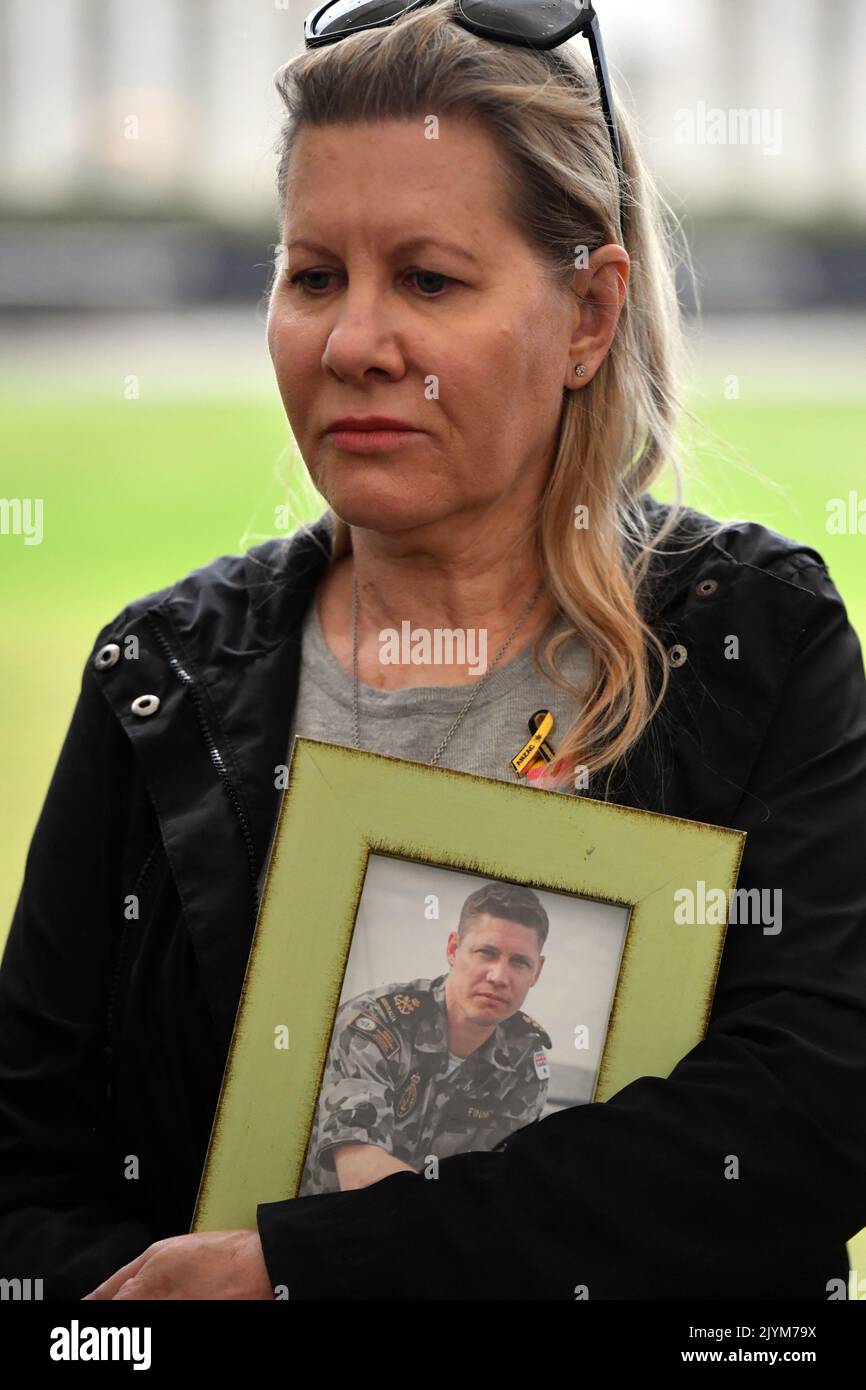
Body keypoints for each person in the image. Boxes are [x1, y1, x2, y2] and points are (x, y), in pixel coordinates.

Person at [2, 0, 866, 1300]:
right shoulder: (157, 681)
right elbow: (27, 1180)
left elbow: (803, 1123)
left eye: (426, 279)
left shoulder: (752, 642)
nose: (353, 344)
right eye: (311, 277)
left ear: (587, 313)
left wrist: (305, 1272)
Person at [299, 882, 551, 1197]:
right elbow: (360, 1174)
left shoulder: (525, 1061)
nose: (499, 977)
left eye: (519, 962)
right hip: (326, 1227)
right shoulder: (375, 1024)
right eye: (486, 953)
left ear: (537, 971)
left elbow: (500, 1186)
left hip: (433, 1239)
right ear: (452, 949)